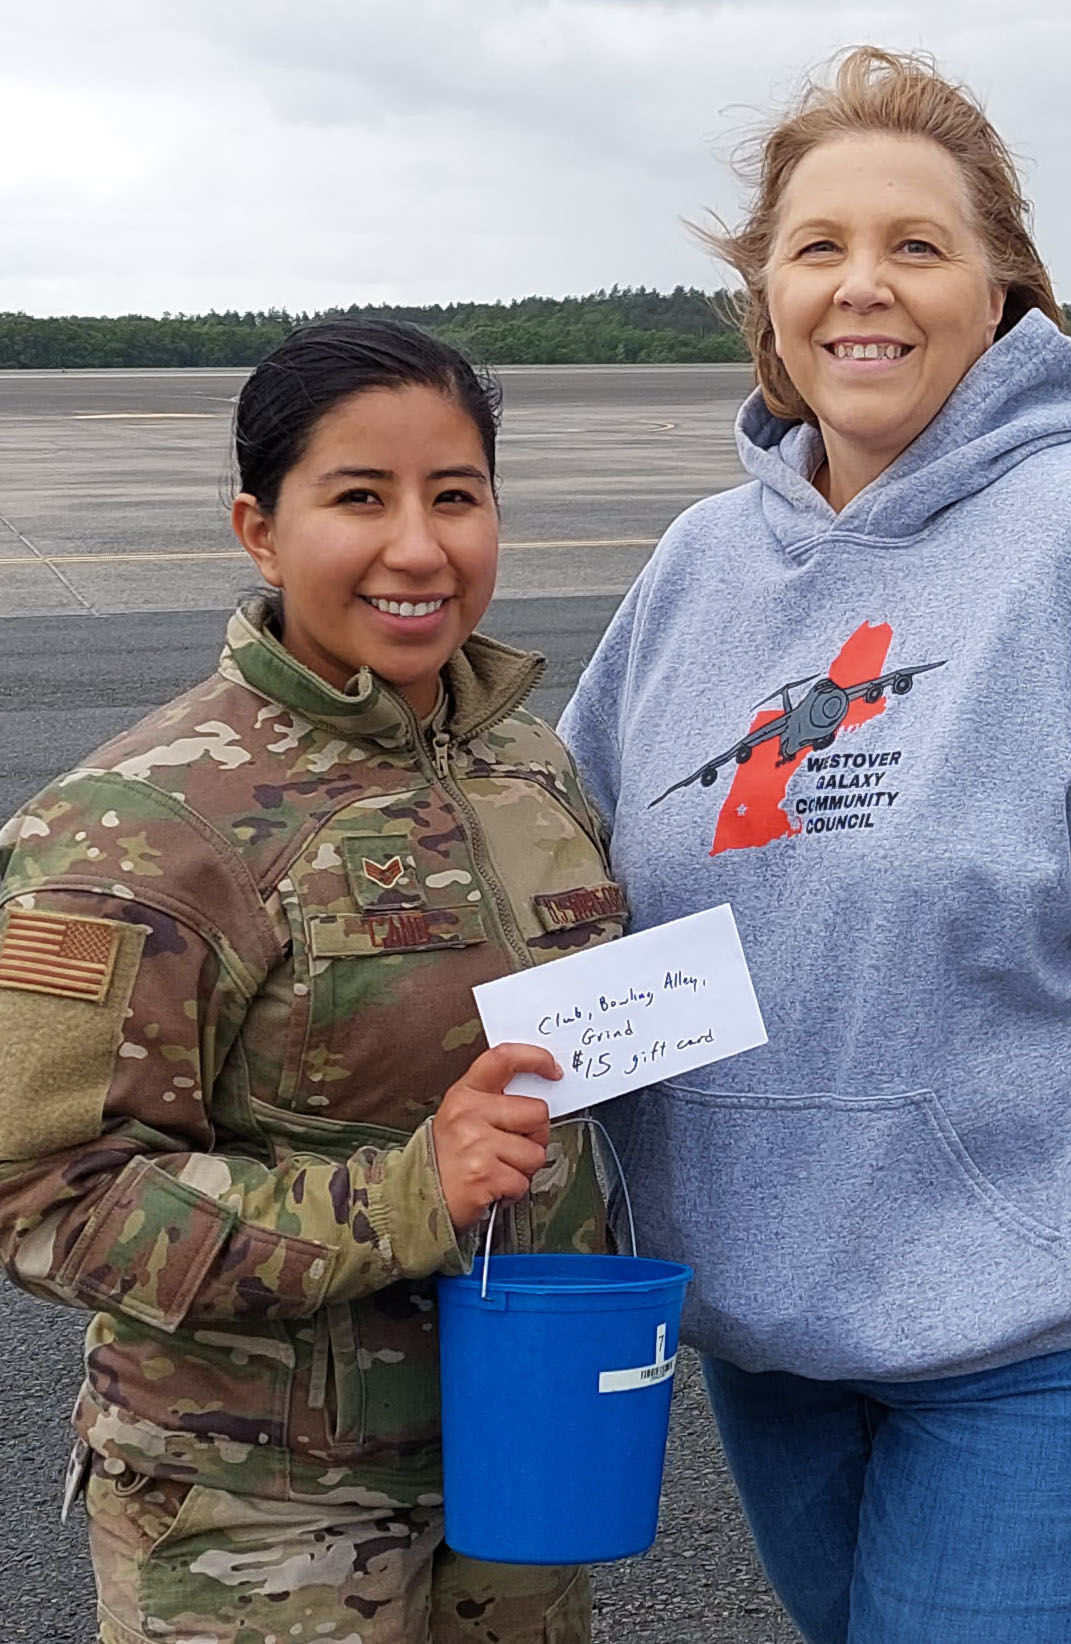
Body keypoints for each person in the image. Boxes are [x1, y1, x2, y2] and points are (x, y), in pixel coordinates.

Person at [558, 47, 1071, 1644]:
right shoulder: (701, 565)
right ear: (763, 294)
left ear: (1005, 294)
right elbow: (566, 878)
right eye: (819, 247)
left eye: (917, 246)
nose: (863, 290)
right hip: (769, 1328)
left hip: (1050, 1335)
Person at [0, 319, 627, 1644]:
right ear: (260, 530)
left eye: (455, 496)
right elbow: (51, 1204)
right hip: (261, 1524)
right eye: (360, 497)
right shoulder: (136, 822)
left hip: (523, 1461)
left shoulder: (531, 766)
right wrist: (404, 1197)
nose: (419, 546)